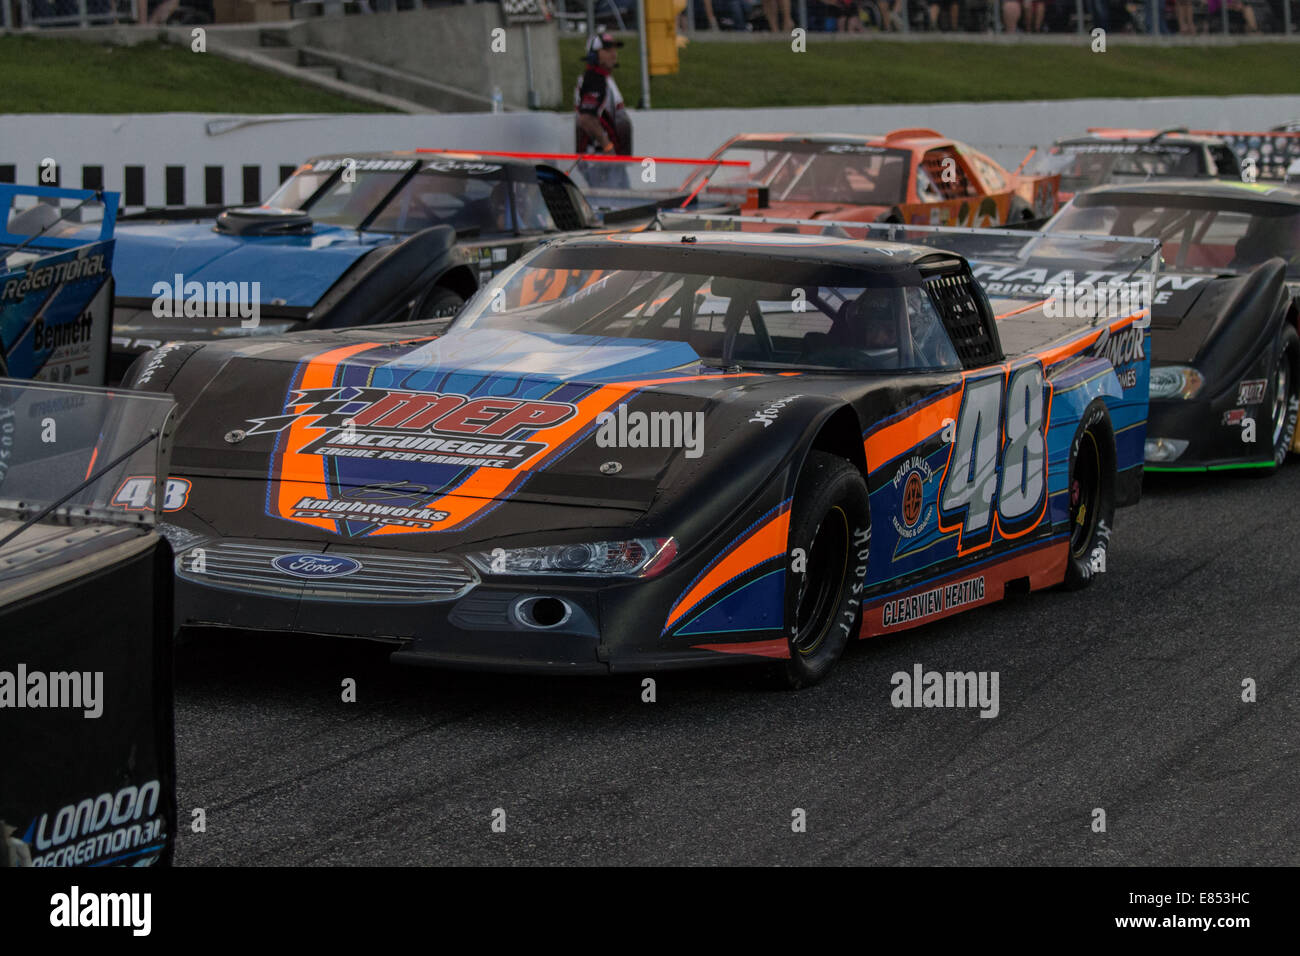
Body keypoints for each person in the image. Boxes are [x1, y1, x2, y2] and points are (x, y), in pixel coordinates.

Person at [574, 31, 632, 190]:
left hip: (608, 162)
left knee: (623, 207)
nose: (614, 54)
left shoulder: (602, 78)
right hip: (601, 162)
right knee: (610, 207)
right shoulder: (595, 79)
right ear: (594, 55)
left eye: (614, 49)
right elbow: (586, 118)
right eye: (607, 50)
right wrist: (608, 147)